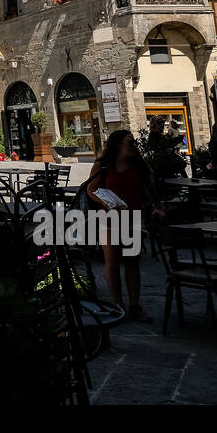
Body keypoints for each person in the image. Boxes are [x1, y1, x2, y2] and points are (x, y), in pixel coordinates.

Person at [84, 129, 165, 321]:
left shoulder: (137, 165)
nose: (133, 146)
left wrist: (157, 206)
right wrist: (106, 202)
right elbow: (90, 189)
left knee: (132, 263)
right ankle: (117, 306)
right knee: (112, 264)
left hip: (133, 218)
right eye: (130, 142)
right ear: (118, 144)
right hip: (109, 220)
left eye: (134, 142)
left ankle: (135, 306)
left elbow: (149, 186)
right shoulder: (103, 165)